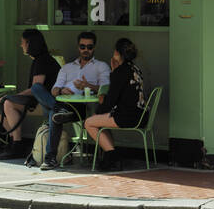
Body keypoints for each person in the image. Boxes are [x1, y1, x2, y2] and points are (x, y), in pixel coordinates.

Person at [40, 31, 112, 170]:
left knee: (53, 114)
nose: (86, 50)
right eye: (82, 46)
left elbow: (106, 89)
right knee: (41, 93)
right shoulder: (67, 67)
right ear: (78, 47)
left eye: (89, 47)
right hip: (65, 104)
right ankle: (50, 157)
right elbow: (54, 90)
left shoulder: (101, 66)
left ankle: (50, 158)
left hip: (86, 107)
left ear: (94, 48)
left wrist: (87, 86)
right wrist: (61, 91)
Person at [0, 29, 60, 160]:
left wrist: (13, 96)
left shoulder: (42, 61)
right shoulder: (40, 59)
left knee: (7, 103)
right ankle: (13, 142)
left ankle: (17, 145)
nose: (21, 45)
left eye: (23, 42)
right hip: (40, 101)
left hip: (46, 103)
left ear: (30, 44)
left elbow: (36, 89)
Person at [84, 38, 146, 172]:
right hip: (140, 115)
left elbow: (110, 101)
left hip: (126, 116)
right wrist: (114, 72)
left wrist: (98, 110)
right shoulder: (135, 69)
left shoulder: (120, 72)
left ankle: (112, 155)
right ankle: (110, 153)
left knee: (89, 123)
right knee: (98, 122)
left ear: (117, 53)